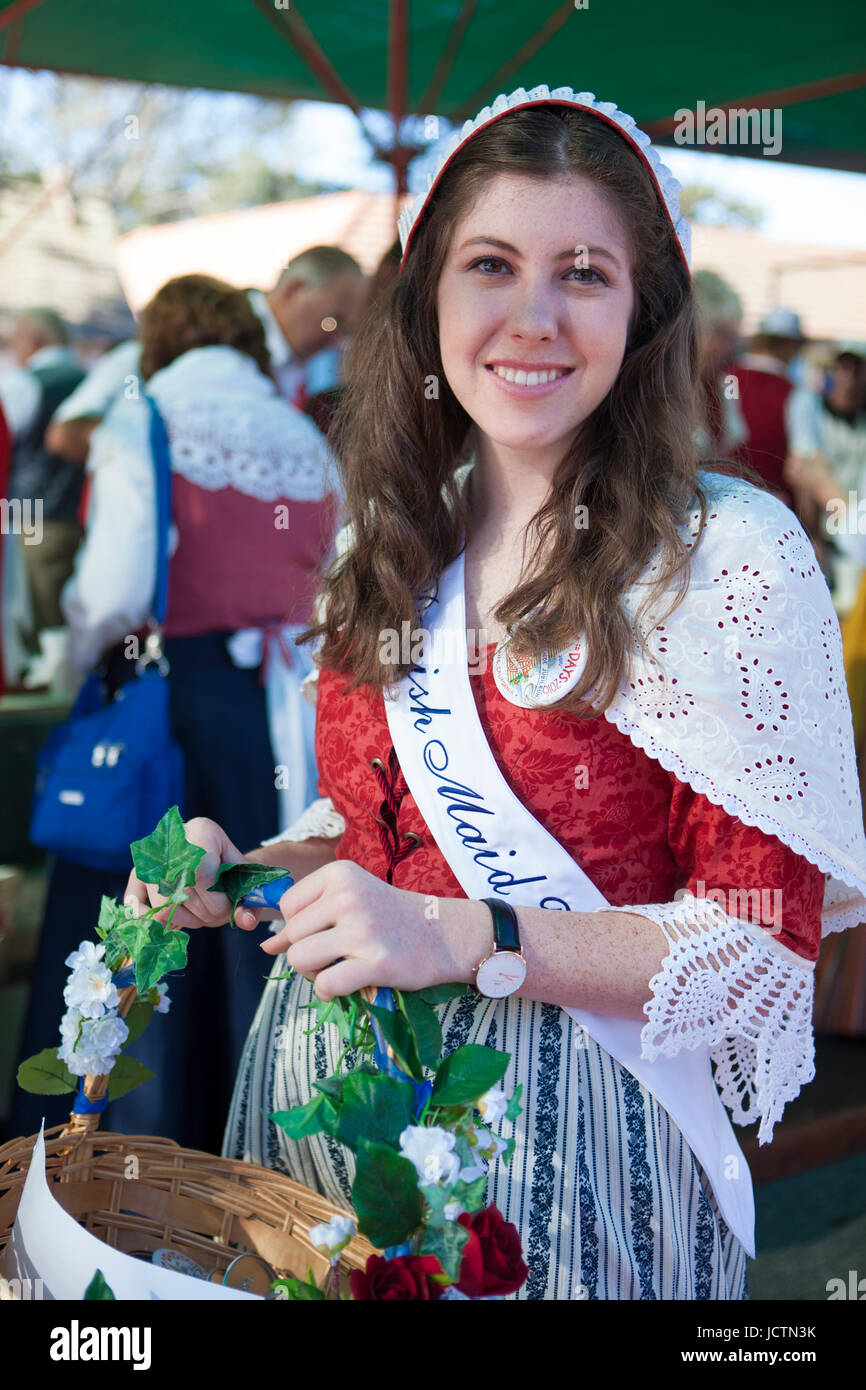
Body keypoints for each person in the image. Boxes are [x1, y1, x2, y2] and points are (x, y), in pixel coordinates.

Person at [126, 87, 866, 1300]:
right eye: (489, 264)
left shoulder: (724, 551)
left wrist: (473, 935)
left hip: (569, 1156)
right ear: (426, 298)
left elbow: (757, 946)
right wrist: (253, 864)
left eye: (582, 272)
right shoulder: (392, 531)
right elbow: (376, 837)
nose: (531, 318)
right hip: (322, 1123)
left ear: (644, 308)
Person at [7, 275, 341, 1153]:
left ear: (160, 340)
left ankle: (94, 1157)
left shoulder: (143, 416)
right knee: (236, 917)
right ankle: (227, 1155)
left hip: (164, 712)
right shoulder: (304, 434)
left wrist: (78, 657)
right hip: (274, 717)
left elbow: (114, 592)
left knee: (136, 919)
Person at [0, 309, 85, 688]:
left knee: (37, 605)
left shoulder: (23, 384)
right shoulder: (93, 379)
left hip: (33, 511)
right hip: (86, 511)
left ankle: (49, 684)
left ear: (32, 341)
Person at [729, 307, 806, 513]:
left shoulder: (727, 379)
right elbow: (801, 465)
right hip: (773, 509)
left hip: (718, 502)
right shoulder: (796, 393)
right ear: (789, 346)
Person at [692, 269, 747, 460]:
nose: (730, 348)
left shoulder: (723, 385)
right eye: (724, 336)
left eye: (734, 339)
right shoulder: (657, 386)